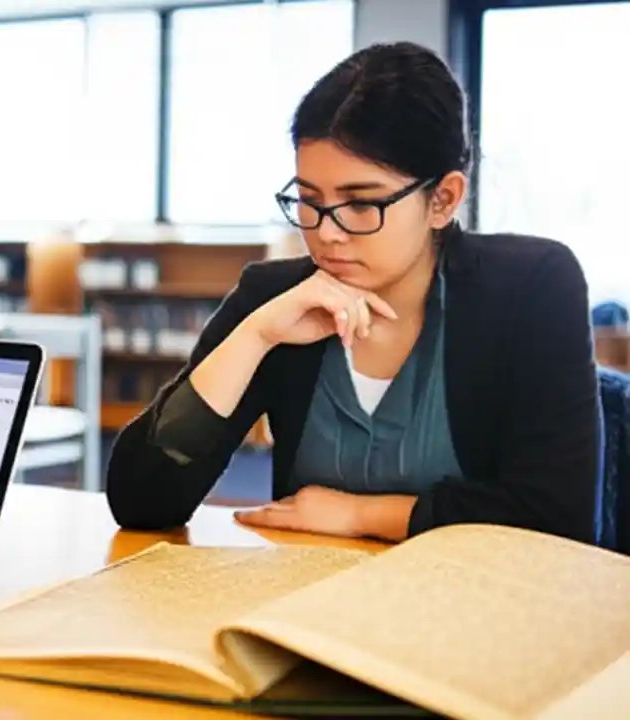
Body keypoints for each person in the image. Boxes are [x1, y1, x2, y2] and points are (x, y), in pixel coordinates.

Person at [105, 41, 599, 544]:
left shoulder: (531, 286)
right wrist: (254, 337)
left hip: (478, 609)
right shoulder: (277, 296)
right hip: (306, 611)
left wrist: (361, 515)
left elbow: (558, 519)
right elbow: (141, 502)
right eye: (308, 201)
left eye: (361, 204)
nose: (327, 233)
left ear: (442, 199)